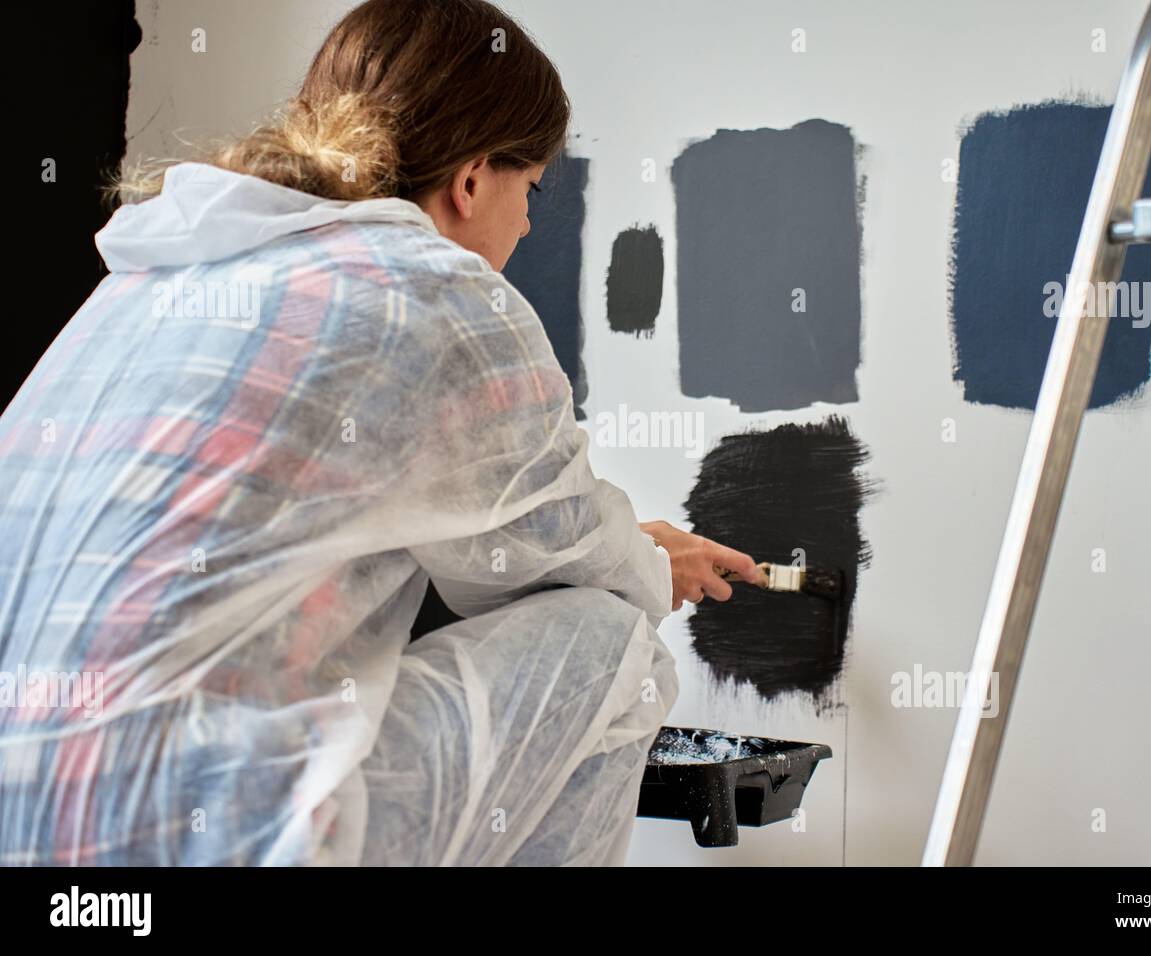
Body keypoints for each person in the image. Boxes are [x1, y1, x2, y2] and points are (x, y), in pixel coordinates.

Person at [0, 0, 762, 866]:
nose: (524, 225)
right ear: (472, 179)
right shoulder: (435, 289)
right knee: (614, 634)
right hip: (194, 835)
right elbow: (566, 559)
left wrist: (631, 550)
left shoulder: (152, 283)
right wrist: (651, 568)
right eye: (531, 189)